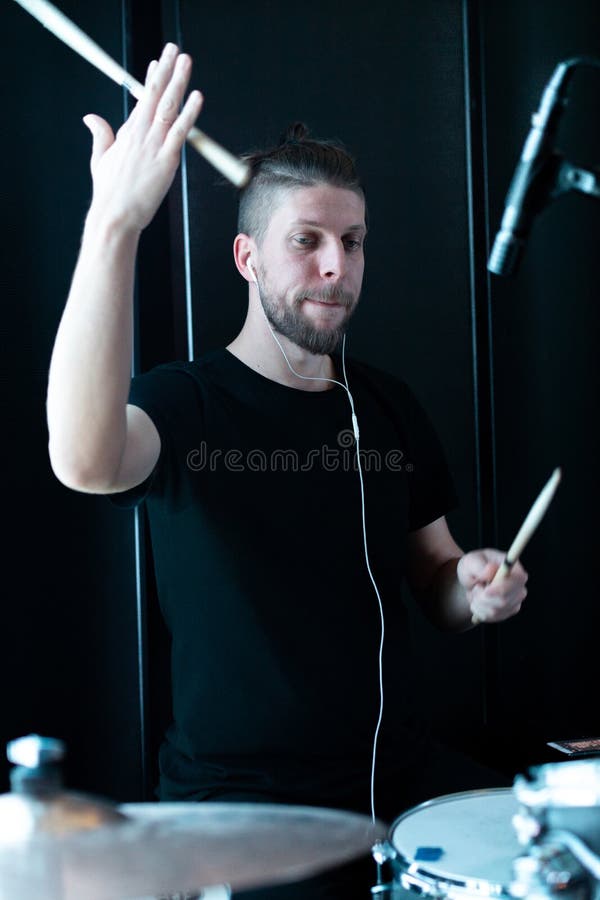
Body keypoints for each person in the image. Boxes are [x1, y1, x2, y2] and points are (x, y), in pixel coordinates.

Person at [47, 44, 528, 899]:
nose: (336, 267)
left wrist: (478, 584)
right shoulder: (184, 404)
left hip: (402, 790)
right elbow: (84, 463)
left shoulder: (388, 407)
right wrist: (113, 224)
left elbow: (439, 585)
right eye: (306, 242)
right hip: (238, 812)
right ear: (248, 259)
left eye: (352, 242)